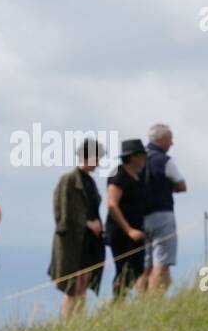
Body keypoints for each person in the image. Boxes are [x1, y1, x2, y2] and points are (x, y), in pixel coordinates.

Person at [48, 138, 106, 318]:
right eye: (96, 158)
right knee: (72, 285)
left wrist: (97, 226)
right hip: (73, 242)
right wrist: (86, 223)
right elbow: (62, 212)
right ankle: (68, 322)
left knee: (84, 282)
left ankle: (78, 320)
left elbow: (93, 208)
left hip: (90, 241)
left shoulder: (90, 181)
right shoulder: (68, 180)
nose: (98, 163)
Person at [141, 123, 187, 292]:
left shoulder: (137, 159)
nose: (171, 143)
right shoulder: (164, 160)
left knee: (144, 265)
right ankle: (154, 302)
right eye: (169, 139)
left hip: (140, 217)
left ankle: (141, 302)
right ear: (160, 139)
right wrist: (168, 186)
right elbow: (182, 185)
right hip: (162, 214)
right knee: (161, 262)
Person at [105, 139, 149, 298]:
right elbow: (112, 204)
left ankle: (140, 303)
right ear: (132, 157)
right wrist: (129, 230)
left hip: (138, 230)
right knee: (124, 269)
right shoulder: (118, 174)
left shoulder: (138, 176)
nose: (144, 159)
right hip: (121, 232)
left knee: (139, 269)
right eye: (142, 156)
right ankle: (118, 303)